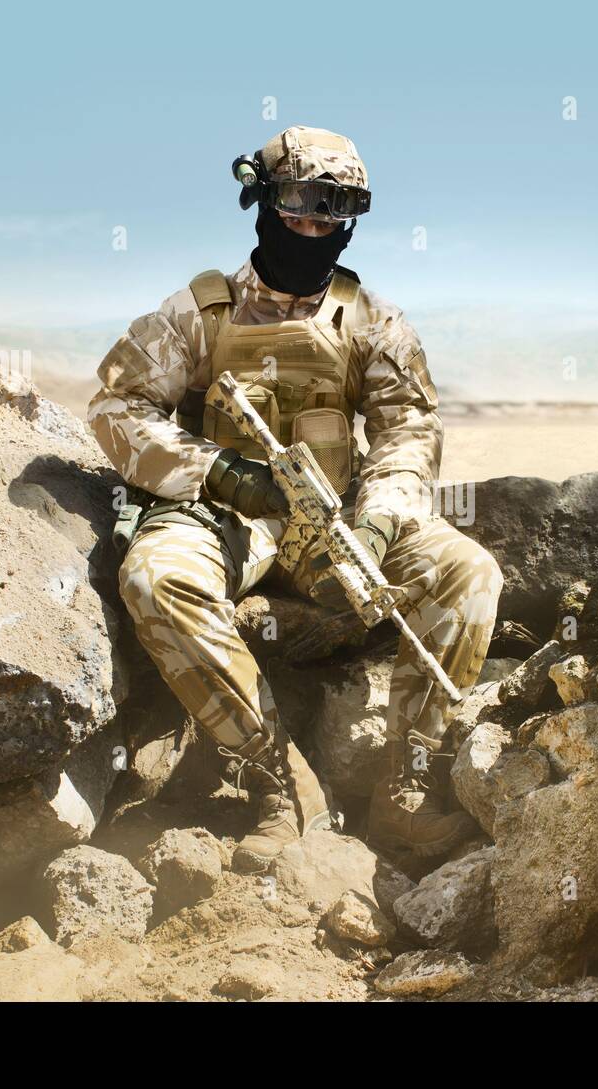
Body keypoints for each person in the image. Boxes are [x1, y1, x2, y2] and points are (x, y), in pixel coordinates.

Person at [88, 126, 503, 873]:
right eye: (299, 209)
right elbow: (116, 411)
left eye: (332, 216)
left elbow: (408, 428)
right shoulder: (201, 311)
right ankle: (277, 779)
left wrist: (377, 524)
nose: (312, 230)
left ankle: (405, 786)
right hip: (222, 514)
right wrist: (217, 471)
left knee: (469, 572)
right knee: (155, 578)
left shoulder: (372, 320)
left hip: (337, 519)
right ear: (263, 203)